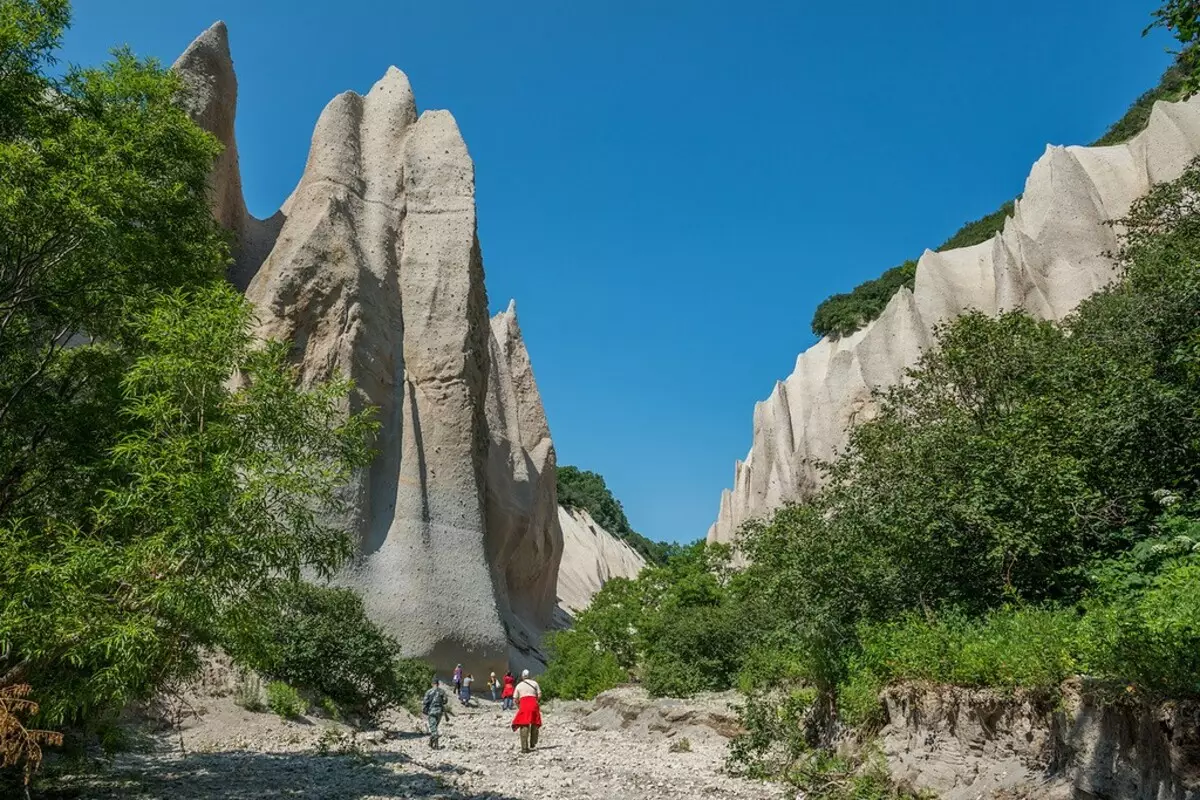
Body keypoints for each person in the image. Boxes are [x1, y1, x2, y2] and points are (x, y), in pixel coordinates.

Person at [510, 668, 543, 753]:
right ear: (529, 675)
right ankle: (533, 743)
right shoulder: (535, 683)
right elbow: (539, 695)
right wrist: (536, 701)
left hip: (524, 705)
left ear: (522, 676)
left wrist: (519, 706)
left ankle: (524, 748)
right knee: (535, 723)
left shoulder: (519, 685)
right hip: (533, 704)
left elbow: (515, 699)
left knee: (524, 725)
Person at [421, 679, 450, 749]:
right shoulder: (442, 691)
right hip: (439, 712)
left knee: (433, 729)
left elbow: (425, 702)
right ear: (438, 684)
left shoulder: (429, 692)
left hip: (432, 711)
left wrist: (424, 710)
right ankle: (431, 743)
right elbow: (445, 701)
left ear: (432, 684)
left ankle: (436, 745)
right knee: (434, 727)